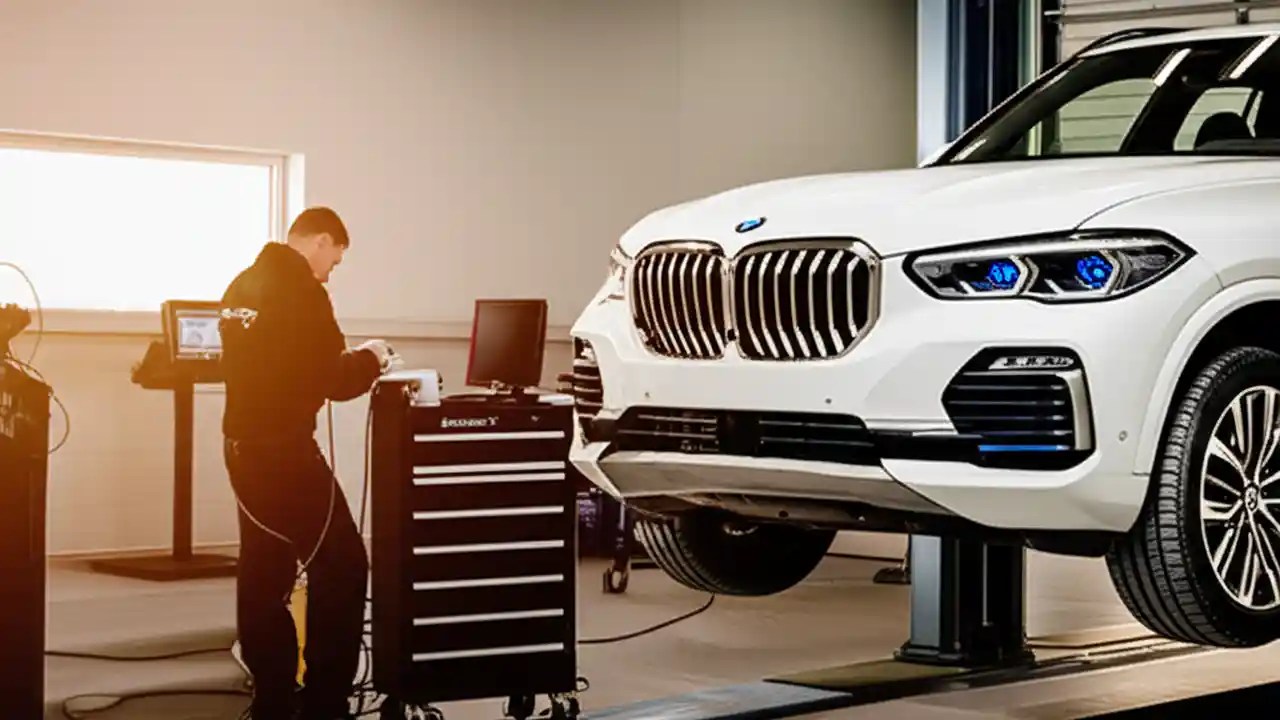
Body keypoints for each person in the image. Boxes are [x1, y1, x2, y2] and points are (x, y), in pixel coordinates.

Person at [218, 206, 394, 719]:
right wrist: (372, 358)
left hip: (241, 450)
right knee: (342, 565)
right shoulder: (302, 292)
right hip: (285, 454)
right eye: (334, 260)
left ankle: (272, 696)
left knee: (264, 570)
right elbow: (331, 381)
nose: (330, 270)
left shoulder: (240, 287)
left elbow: (282, 366)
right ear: (320, 241)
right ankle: (325, 700)